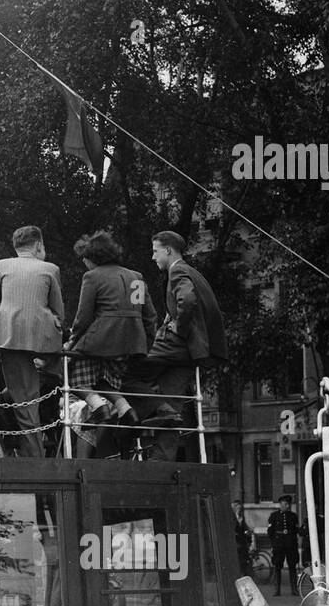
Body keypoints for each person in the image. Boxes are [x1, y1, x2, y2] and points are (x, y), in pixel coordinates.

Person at [123, 230, 227, 461]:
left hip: (177, 344)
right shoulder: (194, 272)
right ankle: (161, 459)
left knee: (125, 375)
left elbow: (187, 300)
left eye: (155, 251)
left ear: (168, 250)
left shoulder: (177, 270)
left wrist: (177, 326)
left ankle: (156, 411)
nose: (153, 257)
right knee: (174, 404)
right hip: (193, 353)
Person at [0, 225, 64, 458]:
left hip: (8, 337)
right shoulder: (51, 269)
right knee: (49, 388)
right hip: (45, 341)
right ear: (38, 245)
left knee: (24, 401)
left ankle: (33, 455)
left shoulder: (1, 266)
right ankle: (45, 447)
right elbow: (59, 310)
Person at [65, 230, 157, 426]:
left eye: (85, 258)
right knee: (105, 380)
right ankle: (125, 409)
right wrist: (145, 344)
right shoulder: (136, 277)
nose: (84, 263)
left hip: (102, 339)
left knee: (73, 374)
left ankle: (98, 406)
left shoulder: (92, 277)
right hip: (131, 343)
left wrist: (72, 341)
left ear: (93, 258)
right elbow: (150, 317)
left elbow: (83, 317)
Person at [267, 495, 301, 596]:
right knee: (277, 566)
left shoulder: (293, 516)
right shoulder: (274, 516)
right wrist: (273, 543)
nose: (285, 506)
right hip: (278, 545)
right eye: (283, 504)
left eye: (286, 504)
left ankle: (294, 589)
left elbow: (296, 531)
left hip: (290, 545)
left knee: (292, 567)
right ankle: (277, 590)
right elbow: (270, 531)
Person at [232, 500, 254, 578]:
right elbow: (233, 529)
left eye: (240, 507)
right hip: (235, 546)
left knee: (244, 565)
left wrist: (248, 533)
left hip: (243, 546)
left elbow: (245, 529)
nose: (239, 509)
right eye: (237, 507)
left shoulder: (241, 517)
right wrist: (238, 519)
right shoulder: (232, 518)